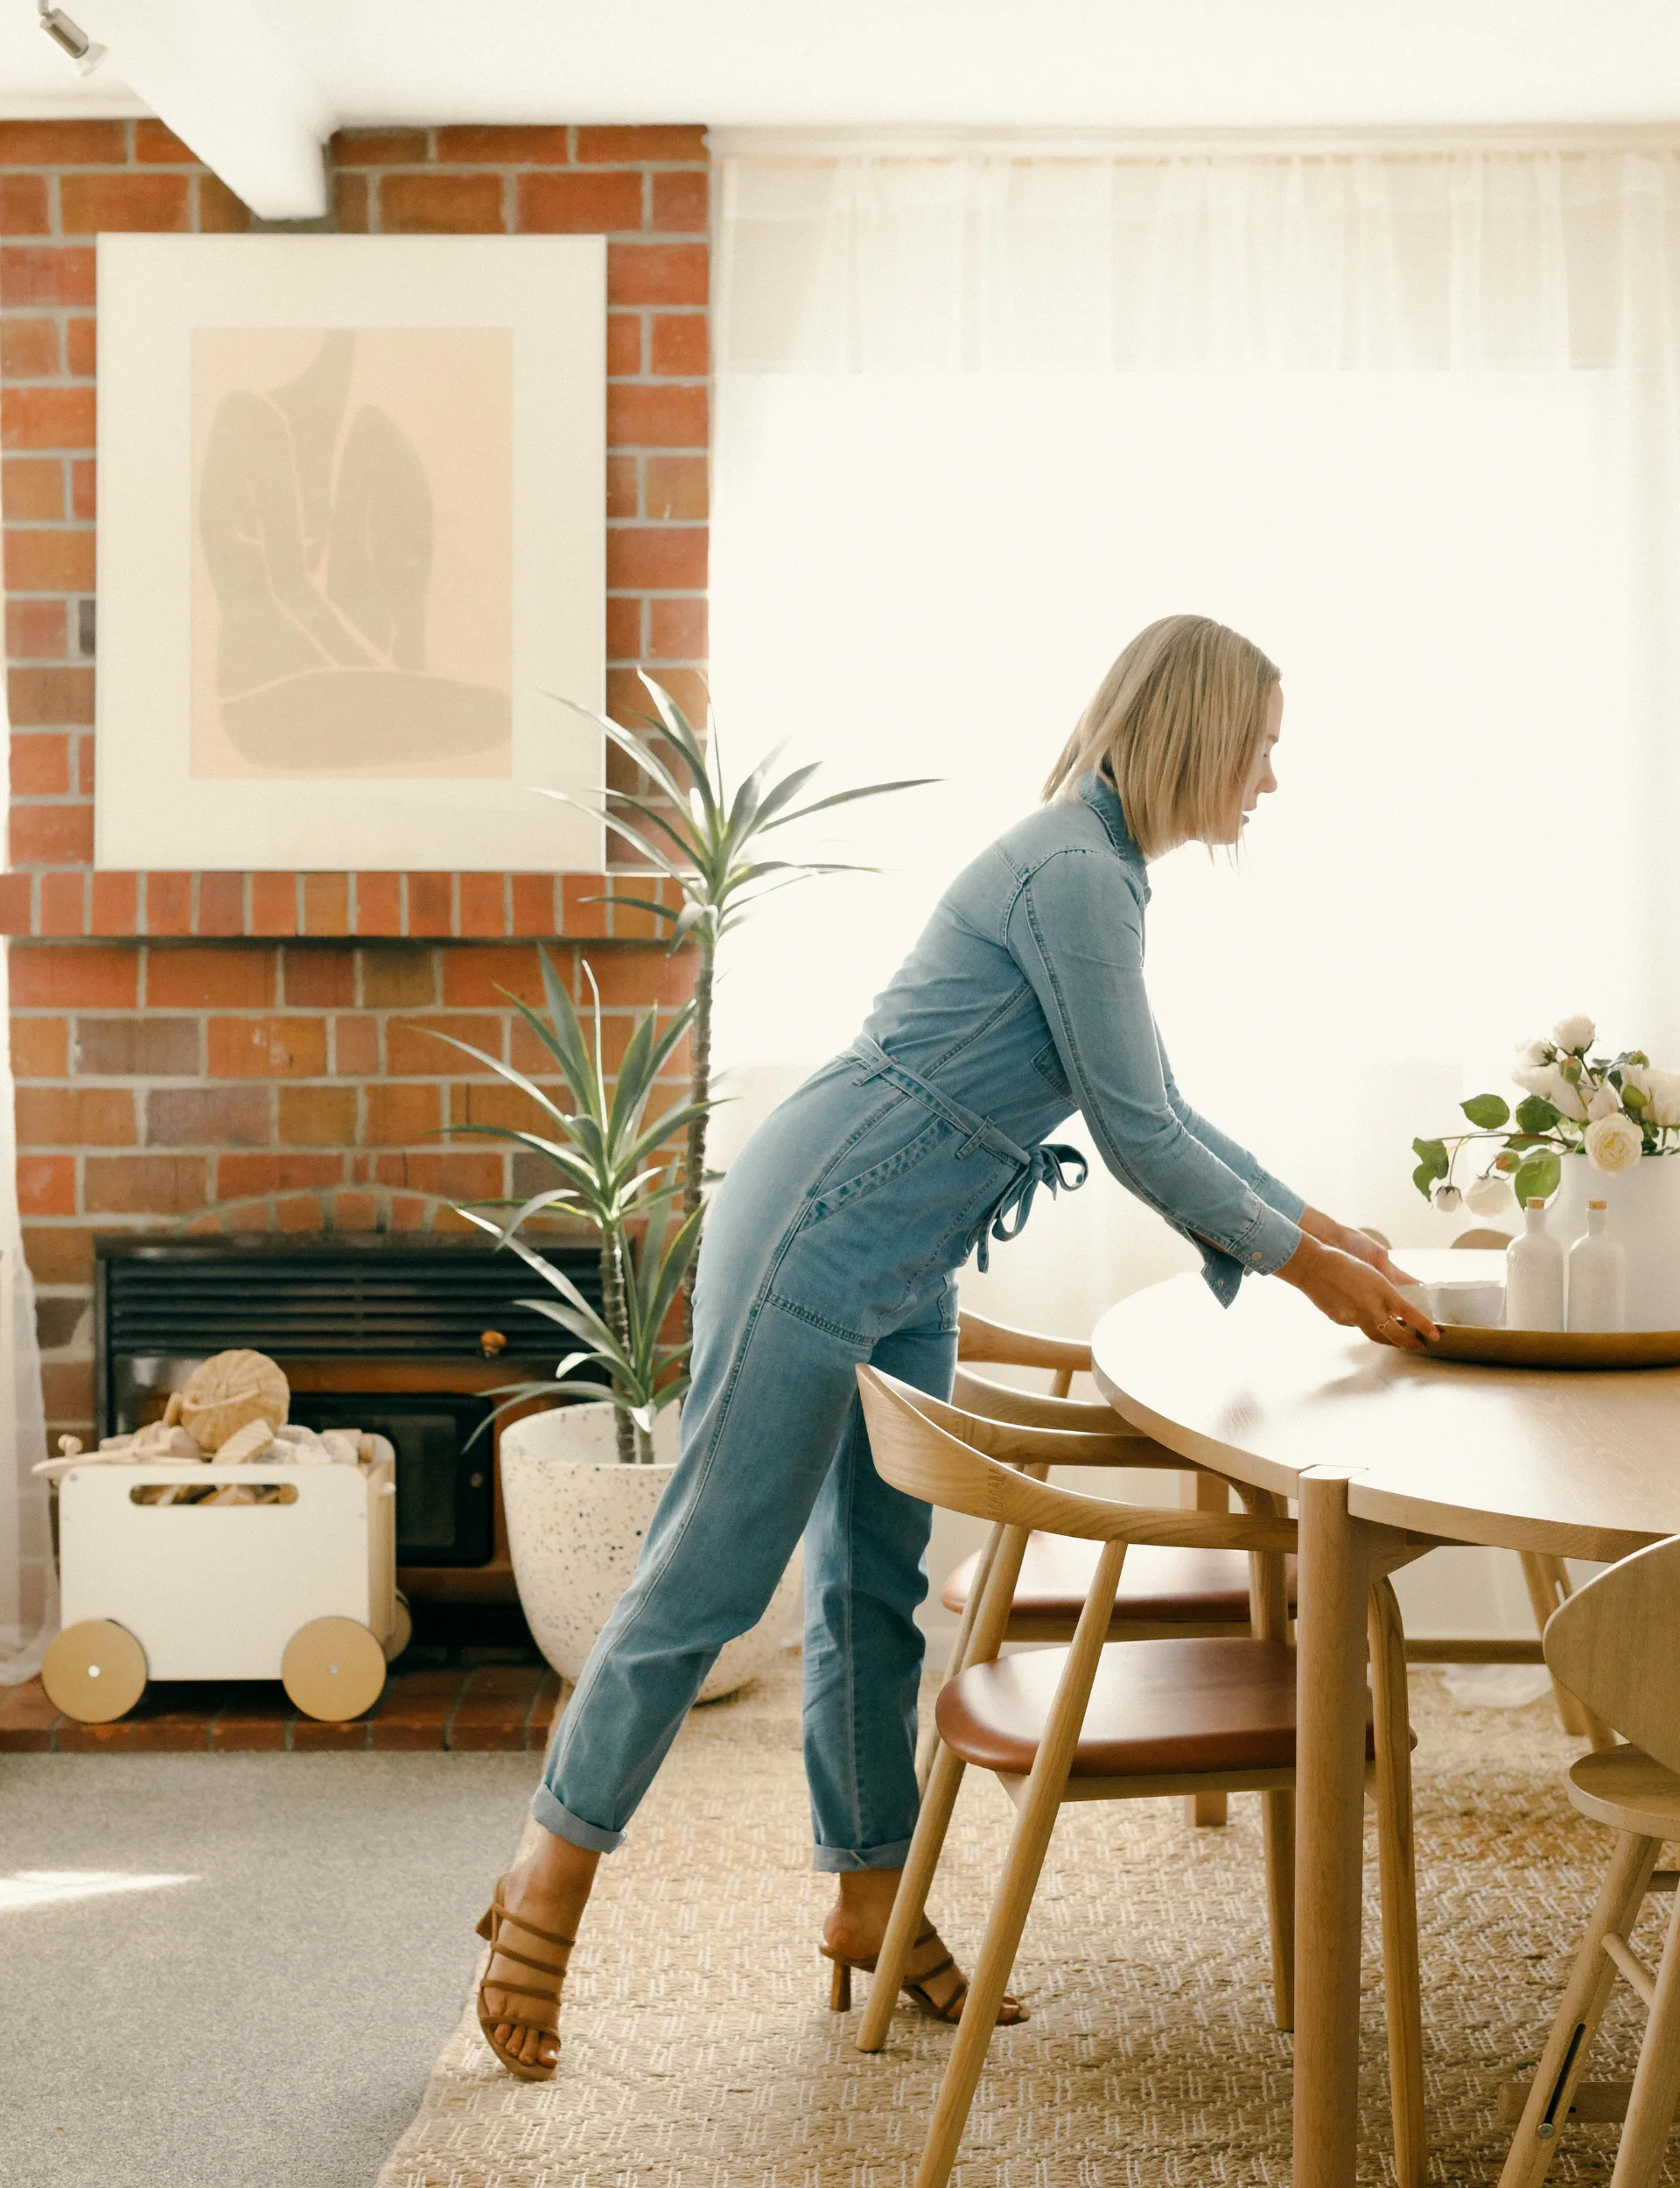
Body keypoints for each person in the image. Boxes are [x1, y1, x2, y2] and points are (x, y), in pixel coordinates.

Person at [472, 613, 1436, 2079]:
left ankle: (869, 1894)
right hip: (820, 1221)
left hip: (907, 1243)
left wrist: (1323, 1231)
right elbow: (1140, 1139)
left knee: (877, 1585)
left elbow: (1163, 1107)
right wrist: (1308, 1269)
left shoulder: (1098, 872)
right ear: (1195, 729)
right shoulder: (1071, 870)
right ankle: (550, 1871)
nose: (1270, 782)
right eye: (1263, 747)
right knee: (710, 1573)